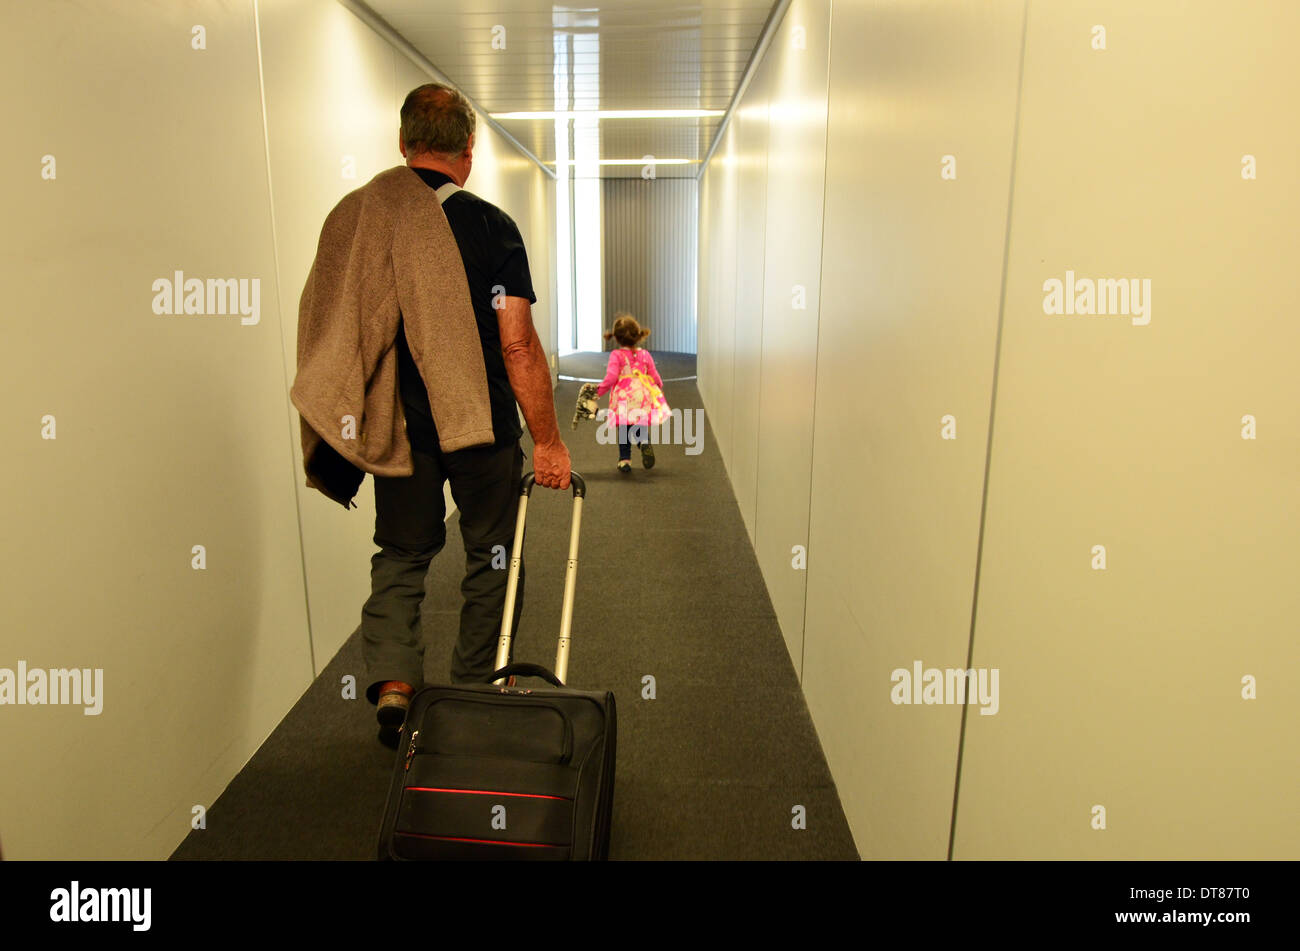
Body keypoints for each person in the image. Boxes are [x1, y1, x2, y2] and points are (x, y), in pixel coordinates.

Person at [363, 83, 571, 735]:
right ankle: (475, 686)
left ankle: (396, 681)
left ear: (404, 145)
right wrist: (548, 439)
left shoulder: (373, 224)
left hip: (403, 430)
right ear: (469, 152)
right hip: (481, 428)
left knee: (401, 554)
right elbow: (516, 342)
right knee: (492, 553)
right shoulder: (490, 227)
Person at [596, 313, 670, 474]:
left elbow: (611, 377)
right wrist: (658, 387)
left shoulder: (617, 355)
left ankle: (624, 460)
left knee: (624, 427)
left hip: (624, 395)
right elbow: (654, 374)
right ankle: (643, 441)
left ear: (616, 338)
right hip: (641, 394)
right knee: (639, 422)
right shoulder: (645, 354)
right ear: (637, 335)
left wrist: (598, 391)